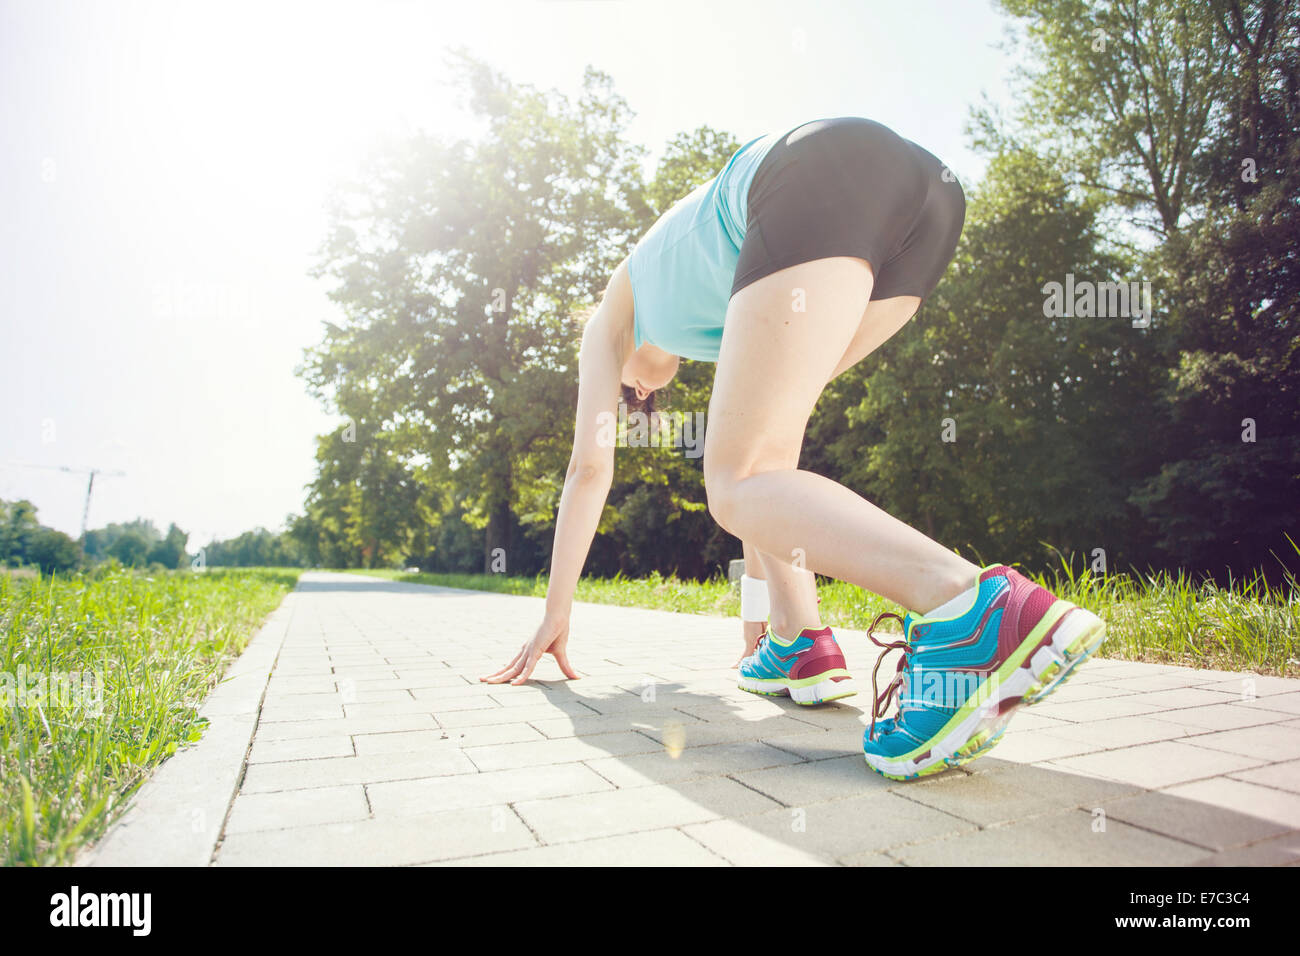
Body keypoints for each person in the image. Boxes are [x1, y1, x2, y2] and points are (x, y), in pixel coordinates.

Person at [481, 116, 1106, 780]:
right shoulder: (725, 312)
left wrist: (555, 610)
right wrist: (764, 619)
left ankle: (973, 607)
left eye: (628, 392)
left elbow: (588, 468)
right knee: (758, 467)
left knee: (733, 480)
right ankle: (801, 644)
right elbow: (772, 477)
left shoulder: (611, 316)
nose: (633, 394)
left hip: (817, 173)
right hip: (926, 201)